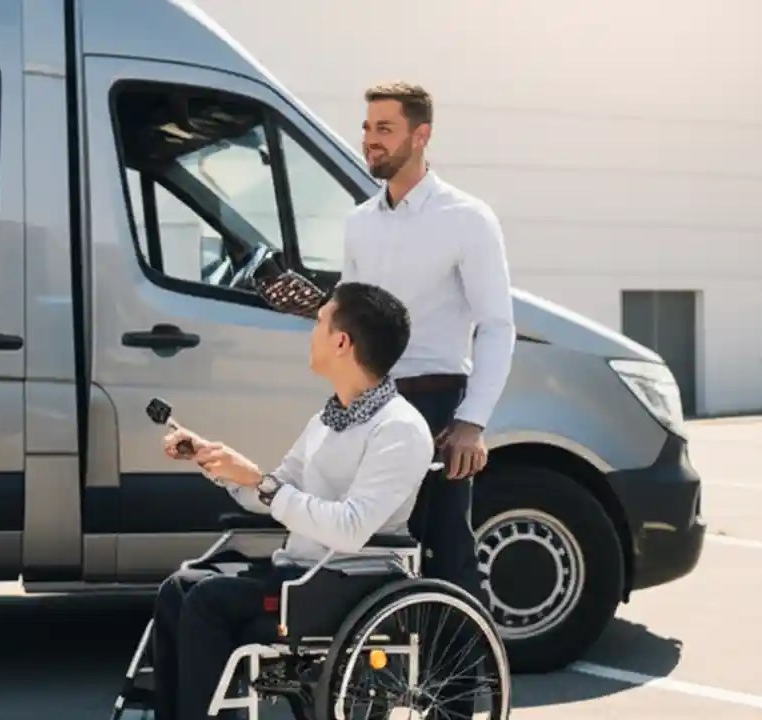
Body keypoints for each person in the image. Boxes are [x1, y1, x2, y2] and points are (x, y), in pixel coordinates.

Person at [149, 282, 434, 720]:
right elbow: (273, 490)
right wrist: (216, 462)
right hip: (301, 573)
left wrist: (263, 483)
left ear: (342, 342)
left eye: (319, 322)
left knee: (209, 602)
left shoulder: (399, 429)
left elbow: (351, 528)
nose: (311, 332)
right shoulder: (327, 418)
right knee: (178, 589)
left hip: (347, 580)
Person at [343, 80, 516, 607]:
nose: (371, 140)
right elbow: (350, 322)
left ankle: (472, 687)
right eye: (369, 128)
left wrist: (472, 422)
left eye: (385, 129)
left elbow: (497, 325)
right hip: (368, 404)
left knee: (446, 557)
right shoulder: (358, 223)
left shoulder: (467, 218)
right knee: (370, 552)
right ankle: (383, 684)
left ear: (421, 136)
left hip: (436, 405)